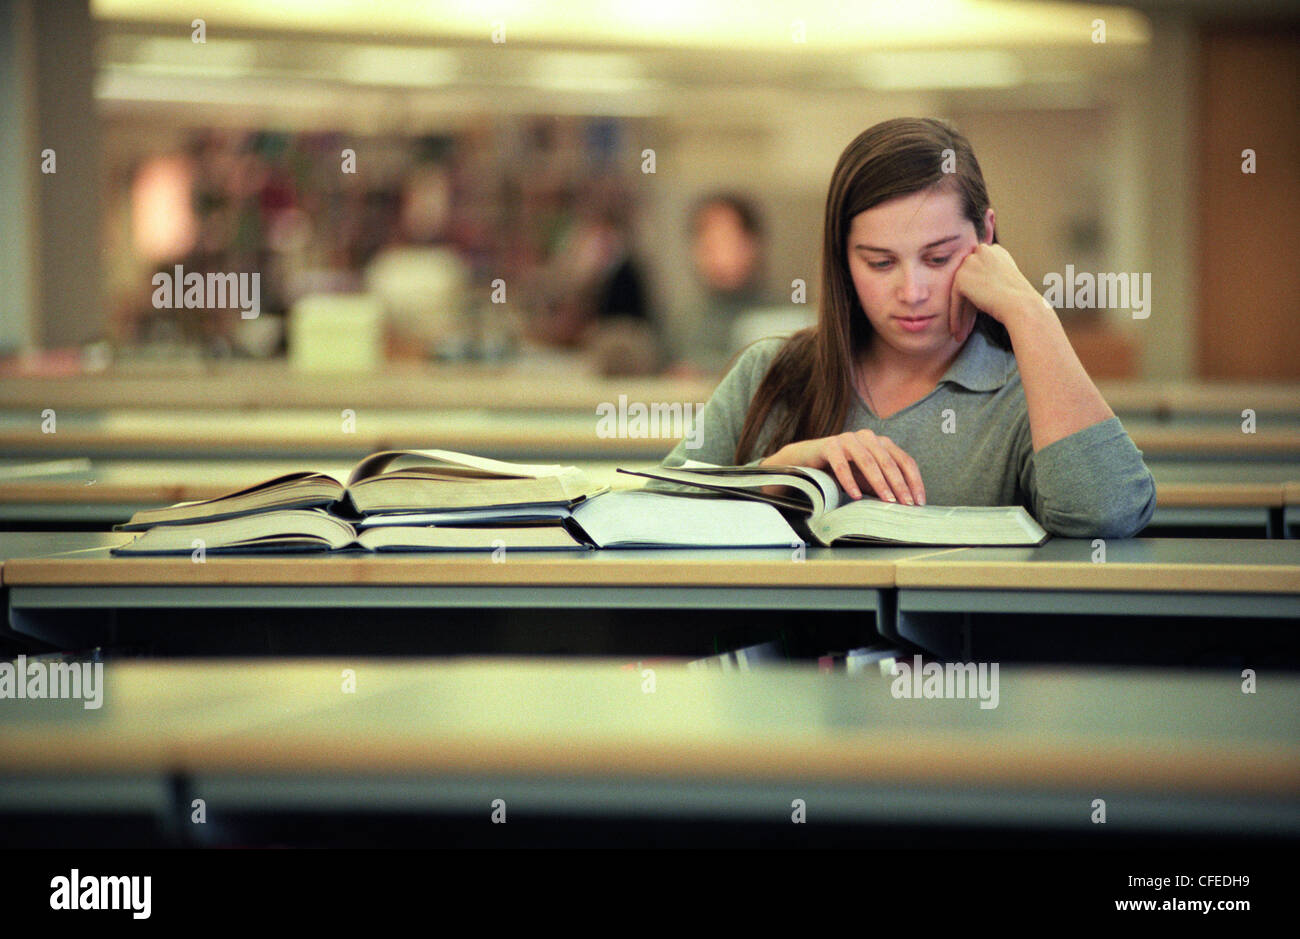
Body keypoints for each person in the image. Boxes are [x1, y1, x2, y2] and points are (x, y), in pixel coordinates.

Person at [657, 117, 1156, 538]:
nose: (912, 290)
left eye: (938, 258)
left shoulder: (1029, 389)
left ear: (985, 236)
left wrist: (1031, 312)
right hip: (792, 654)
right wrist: (777, 474)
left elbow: (1108, 514)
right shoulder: (770, 371)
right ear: (842, 259)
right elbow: (648, 514)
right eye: (879, 263)